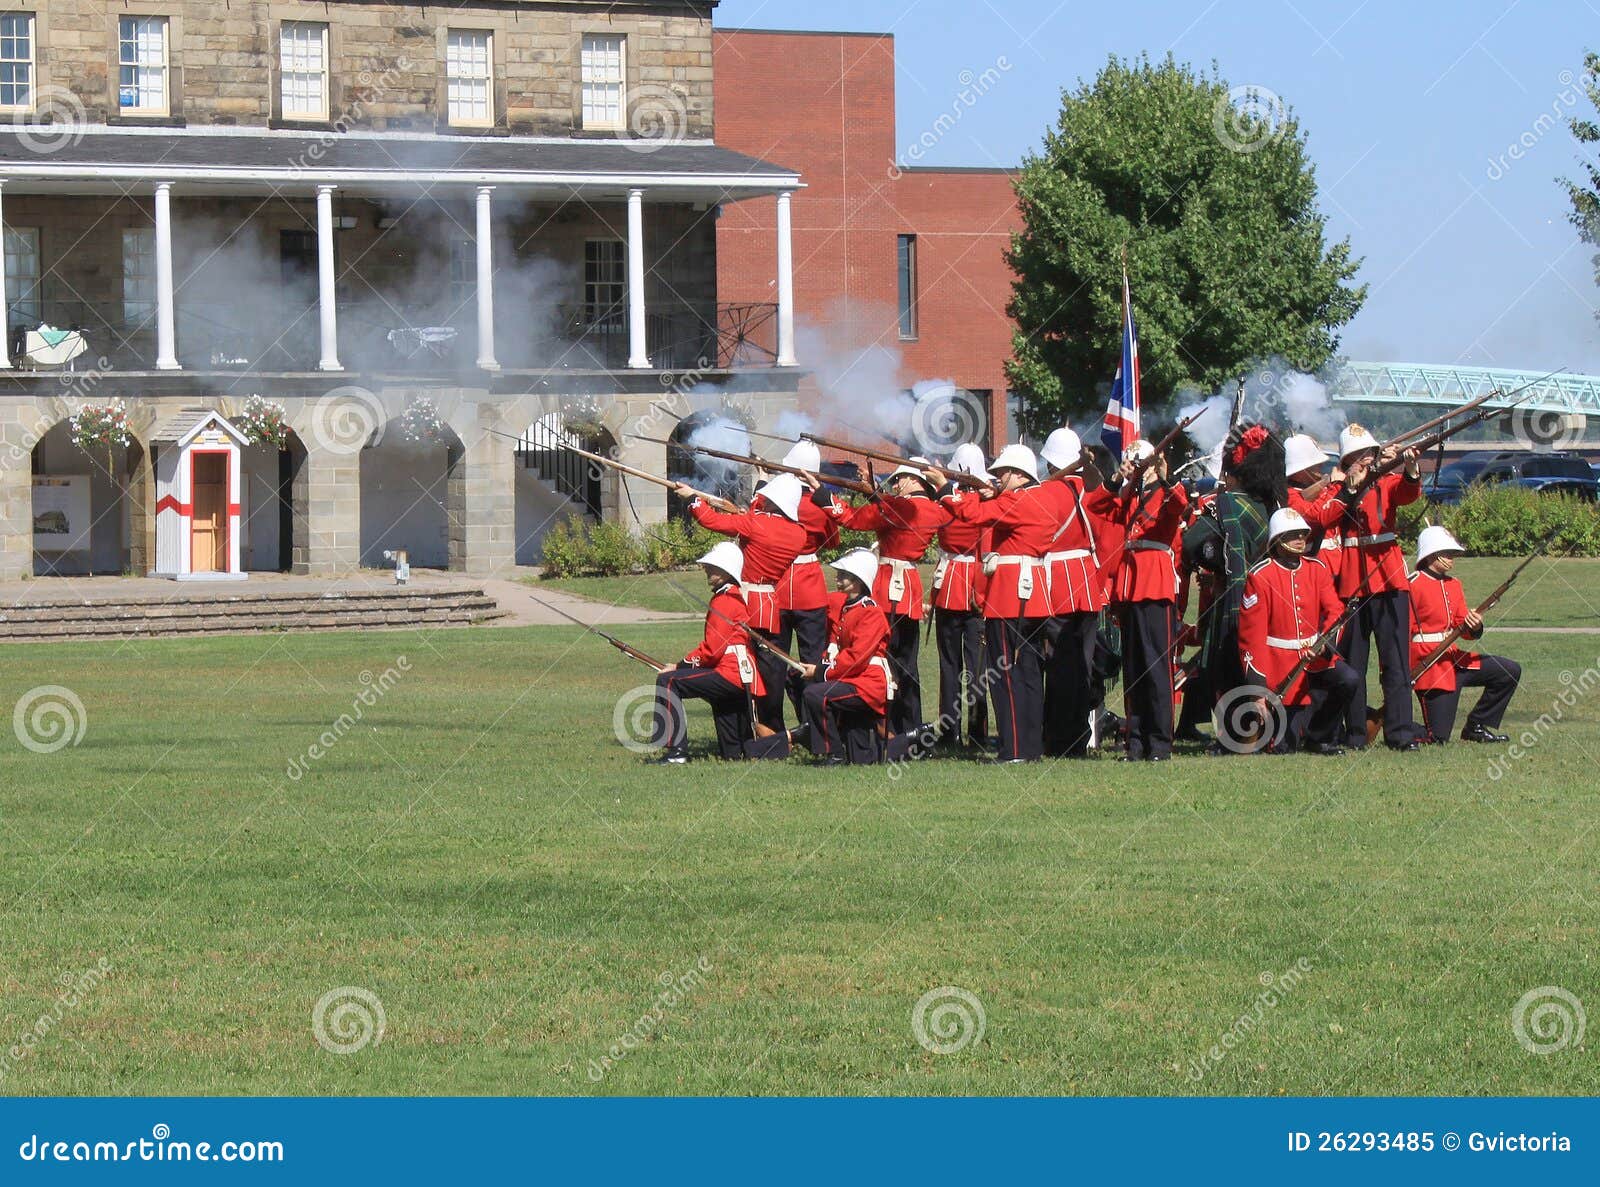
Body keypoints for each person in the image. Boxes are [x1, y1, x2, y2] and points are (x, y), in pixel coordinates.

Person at [1306, 424, 1424, 751]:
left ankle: (1400, 734)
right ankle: (1356, 734)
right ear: (1346, 463)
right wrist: (1344, 487)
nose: (1365, 461)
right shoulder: (1339, 490)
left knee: (1396, 662)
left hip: (1389, 580)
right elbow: (1322, 517)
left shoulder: (1385, 481)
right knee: (1354, 663)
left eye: (1368, 455)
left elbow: (1407, 492)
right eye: (1357, 458)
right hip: (1352, 585)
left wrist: (1411, 467)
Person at [935, 444, 1055, 762]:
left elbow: (973, 514)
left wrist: (945, 489)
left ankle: (1014, 748)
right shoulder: (1035, 498)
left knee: (1008, 675)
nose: (999, 479)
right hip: (1033, 596)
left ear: (1019, 474)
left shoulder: (1018, 500)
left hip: (1010, 595)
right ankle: (1028, 747)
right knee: (1028, 675)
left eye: (1003, 474)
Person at [816, 465, 947, 733]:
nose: (896, 484)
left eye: (899, 480)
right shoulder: (932, 508)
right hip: (907, 587)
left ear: (913, 480)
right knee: (907, 663)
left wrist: (823, 495)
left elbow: (853, 519)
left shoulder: (899, 507)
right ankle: (909, 726)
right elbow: (891, 510)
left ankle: (885, 725)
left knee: (883, 660)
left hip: (888, 587)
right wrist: (876, 492)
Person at [681, 472, 808, 731]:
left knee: (737, 664)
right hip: (769, 604)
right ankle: (772, 726)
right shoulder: (798, 533)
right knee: (769, 671)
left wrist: (693, 499)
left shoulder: (756, 522)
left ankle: (747, 726)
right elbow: (755, 523)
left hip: (745, 601)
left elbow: (712, 521)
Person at [1185, 424, 1285, 753]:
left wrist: (1214, 562)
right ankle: (1261, 733)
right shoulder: (1275, 507)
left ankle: (1235, 737)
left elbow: (1191, 544)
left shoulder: (1227, 505)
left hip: (1233, 596)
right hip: (1270, 598)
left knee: (1226, 665)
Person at [1237, 509, 1359, 755]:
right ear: (1278, 541)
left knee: (1349, 679)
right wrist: (1260, 689)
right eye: (1292, 535)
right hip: (1279, 666)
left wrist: (1324, 644)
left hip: (1316, 656)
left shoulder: (1317, 568)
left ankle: (1320, 737)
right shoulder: (1260, 576)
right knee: (1284, 747)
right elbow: (1252, 638)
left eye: (1303, 534)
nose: (1300, 539)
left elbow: (1335, 610)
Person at [1099, 439, 1188, 762]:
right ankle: (1135, 742)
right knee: (1134, 667)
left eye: (1141, 465)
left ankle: (1160, 742)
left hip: (1154, 580)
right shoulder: (1130, 495)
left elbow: (1181, 505)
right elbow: (1100, 506)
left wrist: (1166, 475)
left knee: (1156, 666)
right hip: (1130, 581)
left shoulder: (1164, 491)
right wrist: (1119, 477)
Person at [650, 543, 764, 764]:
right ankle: (734, 754)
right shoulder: (731, 597)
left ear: (726, 571)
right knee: (731, 747)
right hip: (739, 673)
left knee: (668, 681)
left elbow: (712, 650)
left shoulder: (724, 601)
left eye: (713, 566)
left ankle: (676, 752)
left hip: (729, 672)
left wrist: (679, 666)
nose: (707, 570)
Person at [1409, 526, 1521, 744]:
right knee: (1438, 737)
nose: (1453, 558)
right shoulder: (1412, 584)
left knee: (1508, 671)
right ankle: (1397, 724)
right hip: (1429, 666)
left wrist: (1475, 625)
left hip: (1454, 659)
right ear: (1432, 554)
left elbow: (1466, 630)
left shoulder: (1454, 584)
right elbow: (1400, 634)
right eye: (1447, 553)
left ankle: (1476, 726)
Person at [1036, 427, 1106, 757]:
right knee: (1083, 664)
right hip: (1087, 584)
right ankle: (1078, 736)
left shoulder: (1047, 492)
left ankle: (1059, 737)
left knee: (1060, 664)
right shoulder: (1092, 490)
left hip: (1058, 585)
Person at [799, 549, 893, 765]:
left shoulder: (870, 612)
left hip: (869, 682)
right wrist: (817, 666)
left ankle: (833, 753)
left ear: (857, 581)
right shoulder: (847, 607)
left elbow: (856, 658)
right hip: (854, 678)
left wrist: (821, 673)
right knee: (860, 758)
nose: (838, 577)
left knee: (816, 694)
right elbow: (836, 645)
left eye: (843, 574)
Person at [930, 442, 990, 750]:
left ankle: (949, 732)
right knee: (977, 669)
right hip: (978, 583)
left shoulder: (947, 504)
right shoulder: (986, 502)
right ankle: (977, 734)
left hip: (952, 585)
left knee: (950, 667)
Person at [773, 441, 838, 723]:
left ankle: (772, 725)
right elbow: (832, 540)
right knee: (812, 661)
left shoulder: (773, 500)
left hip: (777, 585)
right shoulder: (819, 503)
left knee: (773, 661)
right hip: (809, 588)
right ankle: (815, 726)